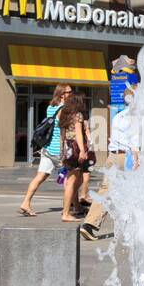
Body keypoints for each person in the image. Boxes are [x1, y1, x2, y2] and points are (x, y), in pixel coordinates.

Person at [80, 86, 140, 242]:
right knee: (133, 192)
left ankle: (89, 224)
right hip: (126, 158)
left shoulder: (118, 117)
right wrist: (136, 161)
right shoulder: (136, 119)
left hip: (112, 157)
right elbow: (134, 144)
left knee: (106, 191)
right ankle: (133, 227)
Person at [18, 84, 71, 217]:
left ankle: (25, 202)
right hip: (58, 151)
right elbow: (62, 133)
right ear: (62, 94)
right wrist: (63, 150)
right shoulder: (63, 110)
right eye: (69, 92)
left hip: (47, 149)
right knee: (69, 179)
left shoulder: (50, 107)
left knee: (40, 176)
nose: (71, 94)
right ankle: (67, 210)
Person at [60, 91, 95, 223]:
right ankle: (66, 213)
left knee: (75, 179)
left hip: (67, 148)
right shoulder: (78, 115)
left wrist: (61, 151)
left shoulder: (64, 115)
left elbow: (62, 136)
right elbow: (79, 135)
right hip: (75, 148)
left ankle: (73, 207)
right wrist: (82, 151)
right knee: (71, 181)